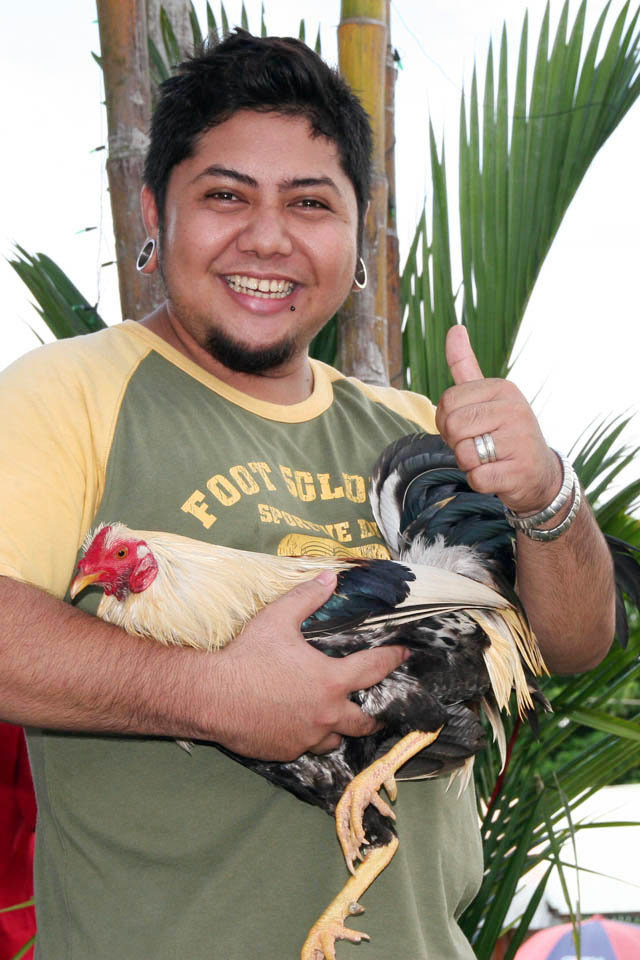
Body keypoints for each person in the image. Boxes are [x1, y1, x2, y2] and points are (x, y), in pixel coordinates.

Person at [0, 29, 615, 960]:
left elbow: (573, 642)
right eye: (225, 196)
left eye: (310, 203)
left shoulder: (412, 427)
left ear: (357, 231)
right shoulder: (69, 392)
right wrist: (219, 697)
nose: (268, 237)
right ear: (152, 210)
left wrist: (544, 496)